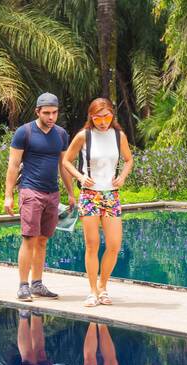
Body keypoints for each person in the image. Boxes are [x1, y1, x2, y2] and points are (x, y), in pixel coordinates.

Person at [62, 98, 134, 307]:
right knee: (92, 244)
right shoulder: (84, 136)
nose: (103, 122)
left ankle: (103, 286)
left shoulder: (119, 136)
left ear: (112, 116)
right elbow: (67, 160)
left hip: (111, 195)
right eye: (97, 118)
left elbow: (129, 159)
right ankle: (92, 291)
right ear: (91, 117)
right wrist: (80, 177)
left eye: (107, 117)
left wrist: (122, 177)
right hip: (90, 195)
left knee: (114, 245)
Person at [4, 93, 75, 302]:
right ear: (37, 111)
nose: (51, 117)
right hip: (30, 191)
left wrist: (71, 193)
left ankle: (37, 283)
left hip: (52, 193)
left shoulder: (61, 134)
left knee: (43, 240)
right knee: (29, 238)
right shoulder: (24, 132)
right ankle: (23, 286)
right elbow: (13, 165)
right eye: (47, 113)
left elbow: (64, 166)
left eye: (54, 112)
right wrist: (8, 196)